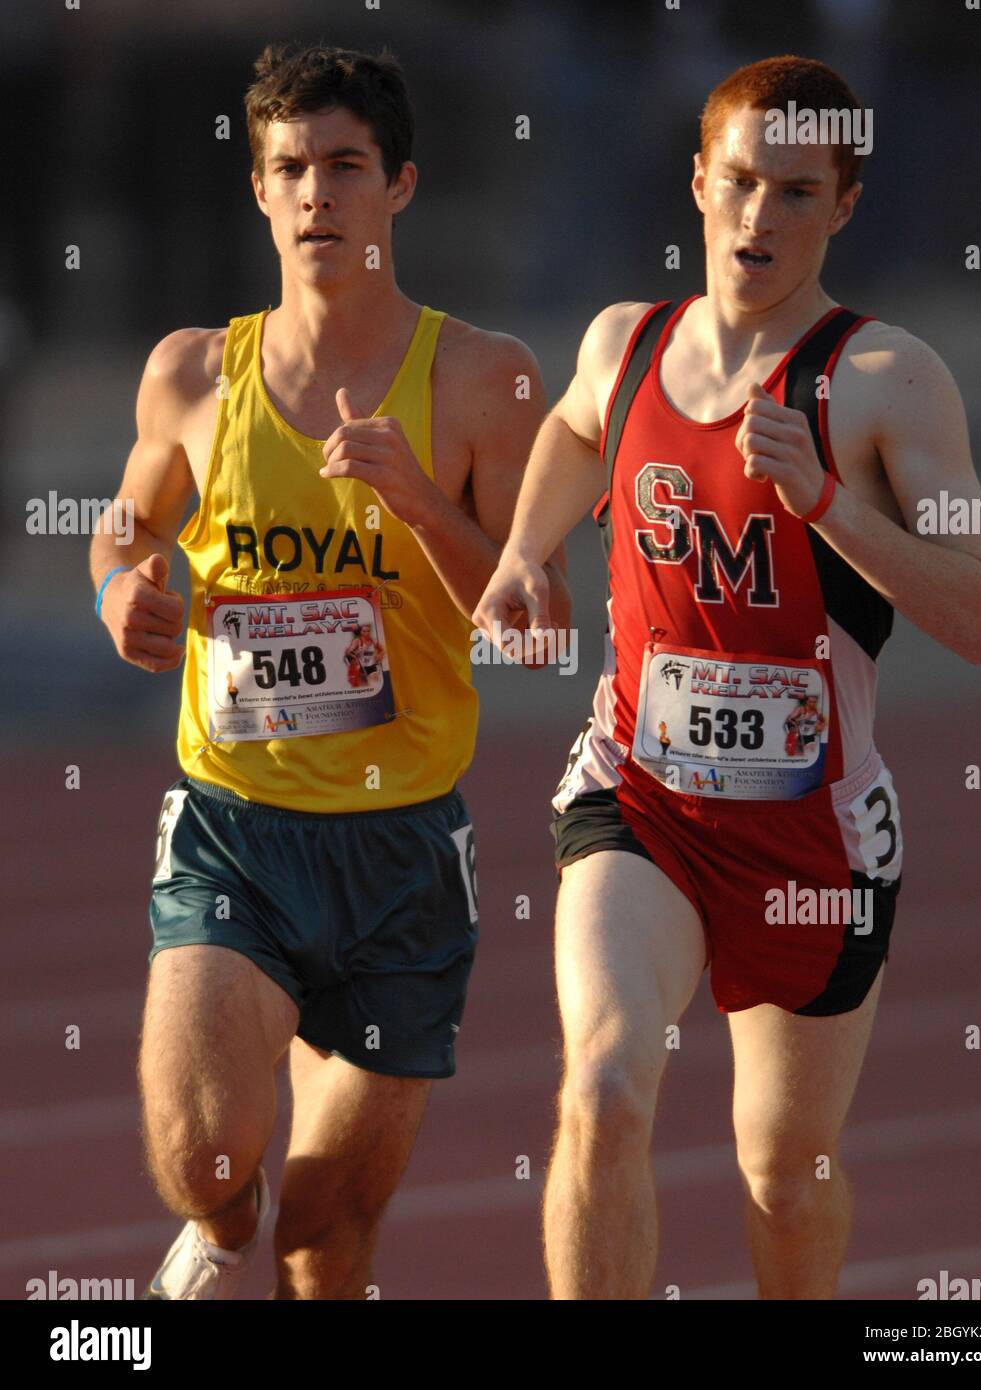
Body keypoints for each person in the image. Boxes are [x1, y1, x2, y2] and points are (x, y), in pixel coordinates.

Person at [473, 55, 981, 1299]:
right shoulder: (625, 340)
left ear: (844, 206)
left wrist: (822, 501)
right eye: (740, 183)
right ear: (698, 182)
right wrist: (521, 553)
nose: (760, 217)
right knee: (602, 1088)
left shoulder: (885, 381)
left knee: (783, 1169)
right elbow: (569, 427)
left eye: (795, 191)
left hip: (810, 841)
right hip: (639, 798)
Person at [90, 40, 566, 1300]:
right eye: (290, 168)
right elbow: (123, 531)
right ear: (258, 190)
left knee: (331, 1233)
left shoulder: (479, 382)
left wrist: (419, 501)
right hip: (235, 828)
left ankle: (274, 1236)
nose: (317, 195)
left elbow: (541, 624)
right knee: (208, 1157)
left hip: (400, 850)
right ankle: (219, 1220)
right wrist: (119, 592)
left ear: (398, 186)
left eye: (345, 167)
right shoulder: (193, 373)